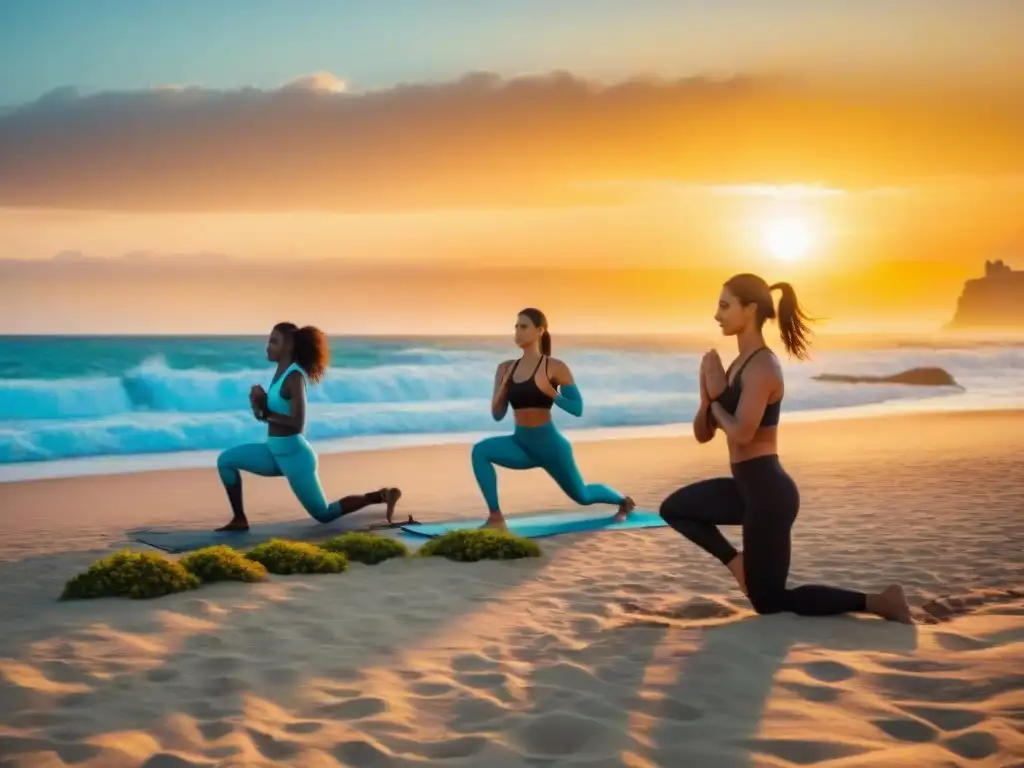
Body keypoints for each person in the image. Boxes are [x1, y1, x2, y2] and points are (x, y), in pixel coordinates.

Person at [659, 275, 912, 623]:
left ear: (750, 309)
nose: (717, 315)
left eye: (724, 305)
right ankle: (738, 563)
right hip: (748, 489)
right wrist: (706, 391)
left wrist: (717, 399)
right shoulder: (735, 366)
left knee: (771, 602)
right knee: (675, 509)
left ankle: (879, 602)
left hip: (769, 494)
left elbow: (743, 433)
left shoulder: (763, 366)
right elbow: (703, 434)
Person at [215, 322, 401, 532]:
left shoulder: (294, 377)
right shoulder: (279, 374)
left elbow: (297, 424)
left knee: (324, 514)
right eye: (269, 341)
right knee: (225, 461)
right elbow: (271, 417)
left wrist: (265, 411)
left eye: (274, 341)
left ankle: (380, 496)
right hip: (273, 451)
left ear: (289, 347)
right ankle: (239, 519)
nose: (268, 346)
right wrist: (260, 404)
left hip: (295, 457)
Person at [471, 308, 635, 531]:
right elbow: (497, 415)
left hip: (551, 448)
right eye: (516, 327)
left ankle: (623, 501)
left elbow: (577, 408)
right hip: (521, 445)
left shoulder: (555, 367)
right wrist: (503, 388)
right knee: (480, 451)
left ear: (539, 331)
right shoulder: (505, 368)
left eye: (524, 326)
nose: (517, 332)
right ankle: (496, 517)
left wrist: (551, 392)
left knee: (583, 496)